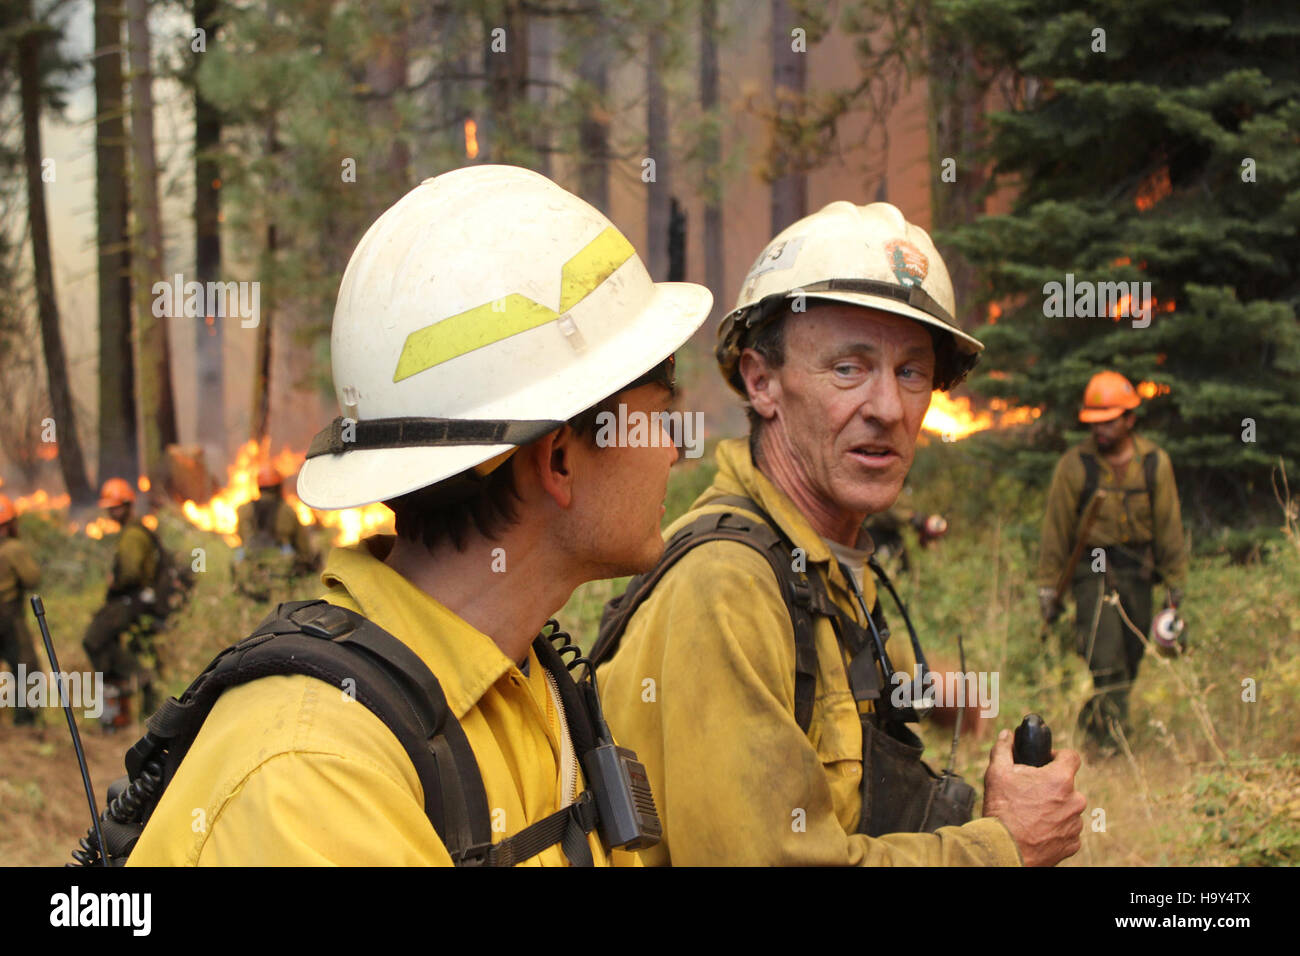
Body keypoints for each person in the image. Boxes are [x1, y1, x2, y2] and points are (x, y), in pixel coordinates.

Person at [126, 165, 713, 866]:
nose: (676, 449)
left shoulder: (527, 682)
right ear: (559, 459)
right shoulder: (313, 779)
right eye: (659, 418)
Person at [593, 200, 1086, 866]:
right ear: (761, 381)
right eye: (849, 369)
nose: (886, 408)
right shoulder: (727, 588)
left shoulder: (816, 565)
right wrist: (1003, 849)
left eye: (911, 372)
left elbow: (824, 677)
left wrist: (927, 689)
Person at [1037, 371, 1188, 752]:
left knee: (1132, 659)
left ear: (1129, 420)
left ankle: (1094, 721)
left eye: (1109, 421)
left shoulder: (1155, 462)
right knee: (1106, 659)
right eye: (1095, 422)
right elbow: (1057, 528)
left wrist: (1175, 581)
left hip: (1138, 572)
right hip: (1093, 571)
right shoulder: (1074, 465)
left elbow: (1169, 525)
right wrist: (1048, 586)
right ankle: (1113, 745)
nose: (1101, 429)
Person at [81, 478, 166, 730]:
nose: (112, 512)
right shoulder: (132, 531)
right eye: (110, 507)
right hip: (133, 599)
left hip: (131, 600)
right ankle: (118, 699)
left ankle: (138, 676)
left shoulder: (132, 535)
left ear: (128, 505)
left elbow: (130, 574)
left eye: (116, 507)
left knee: (93, 639)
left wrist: (114, 582)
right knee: (104, 645)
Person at [232, 464, 320, 601]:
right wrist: (307, 562)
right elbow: (303, 545)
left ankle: (239, 589)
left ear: (259, 487)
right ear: (279, 487)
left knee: (238, 555)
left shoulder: (243, 509)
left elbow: (240, 536)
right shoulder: (287, 510)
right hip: (280, 564)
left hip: (250, 559)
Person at [0, 493, 41, 726]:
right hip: (8, 615)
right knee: (26, 667)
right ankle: (26, 722)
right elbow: (32, 578)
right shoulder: (13, 549)